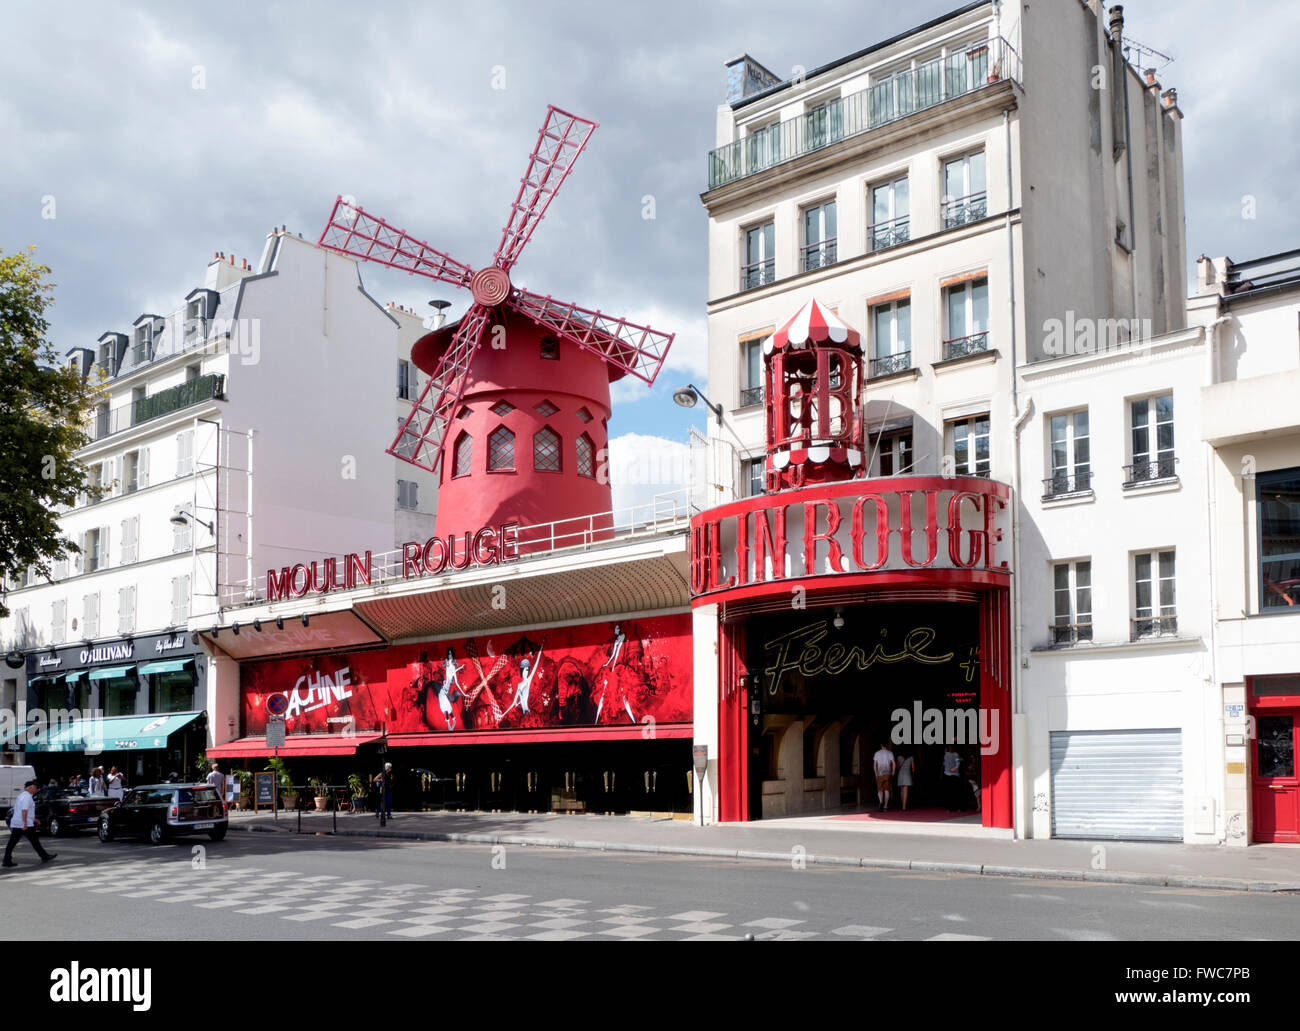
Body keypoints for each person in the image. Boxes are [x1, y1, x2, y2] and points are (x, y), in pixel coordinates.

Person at [3, 780, 56, 867]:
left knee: (14, 842)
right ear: (30, 788)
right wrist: (24, 823)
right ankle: (44, 856)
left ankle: (6, 860)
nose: (36, 789)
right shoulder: (27, 797)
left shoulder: (21, 796)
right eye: (35, 787)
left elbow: (22, 810)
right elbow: (24, 810)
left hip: (18, 823)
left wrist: (34, 819)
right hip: (25, 824)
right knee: (34, 841)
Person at [871, 740, 897, 812]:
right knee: (887, 790)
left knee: (880, 790)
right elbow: (894, 763)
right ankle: (885, 806)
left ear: (881, 745)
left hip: (879, 774)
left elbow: (874, 765)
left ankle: (880, 801)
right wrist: (893, 772)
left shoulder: (877, 753)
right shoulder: (890, 753)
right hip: (888, 773)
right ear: (887, 745)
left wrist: (876, 774)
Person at [942, 744, 963, 811]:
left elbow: (958, 765)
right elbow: (944, 763)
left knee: (955, 792)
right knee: (949, 792)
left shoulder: (956, 754)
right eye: (949, 747)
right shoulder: (946, 754)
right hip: (948, 775)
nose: (950, 748)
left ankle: (956, 807)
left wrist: (952, 769)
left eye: (951, 747)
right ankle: (950, 807)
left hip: (954, 775)